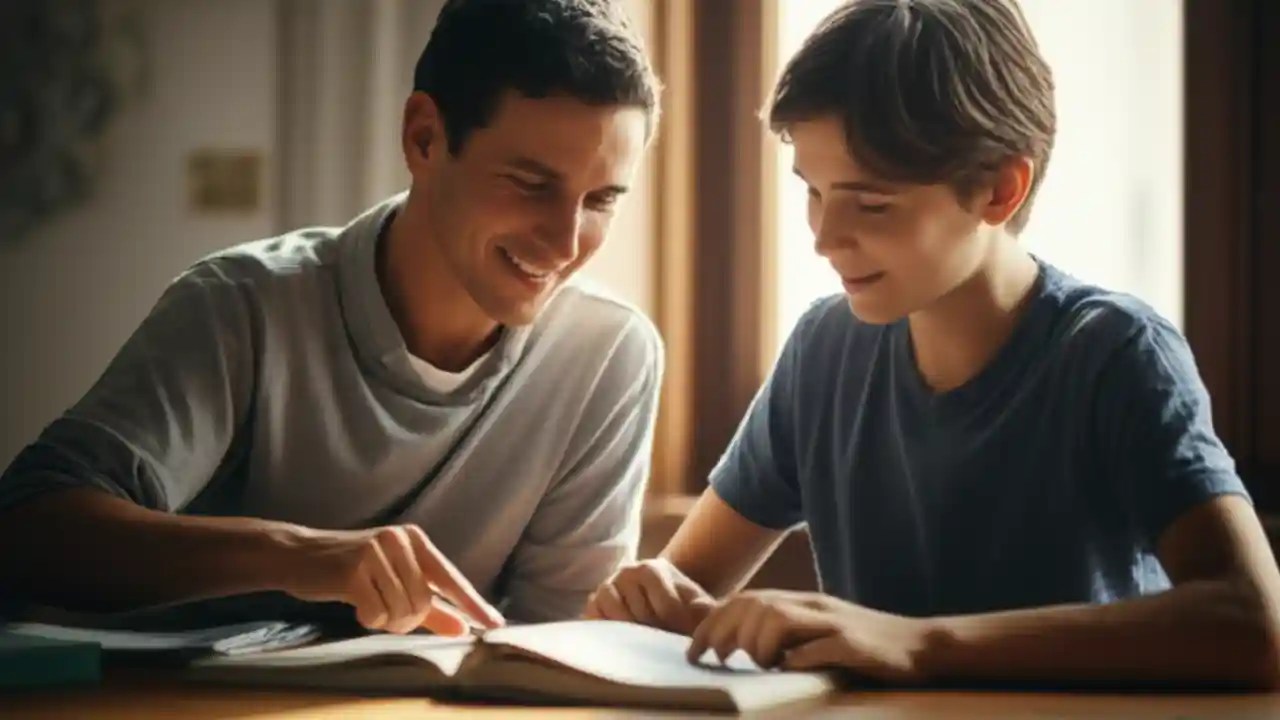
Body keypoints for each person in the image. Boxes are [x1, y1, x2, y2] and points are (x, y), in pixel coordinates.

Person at [586, 0, 1280, 689]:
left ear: (1000, 190)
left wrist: (918, 644)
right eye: (814, 192)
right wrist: (659, 603)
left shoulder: (1114, 355)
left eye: (872, 202)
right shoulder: (825, 352)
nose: (825, 238)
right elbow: (686, 585)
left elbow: (1256, 624)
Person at [0, 0, 663, 635]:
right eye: (531, 185)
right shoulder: (243, 303)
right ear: (425, 138)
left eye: (601, 199)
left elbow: (557, 646)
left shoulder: (609, 355)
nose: (565, 243)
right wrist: (299, 556)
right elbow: (29, 526)